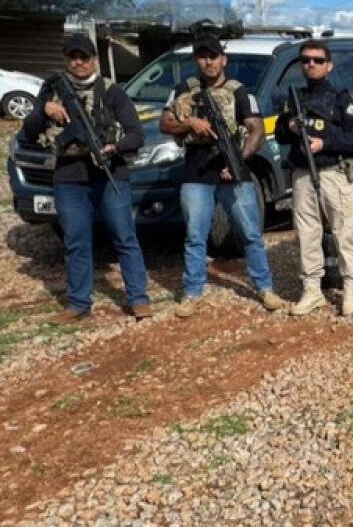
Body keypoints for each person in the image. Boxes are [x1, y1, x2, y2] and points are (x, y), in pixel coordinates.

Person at [20, 34, 152, 324]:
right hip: (68, 178)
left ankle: (138, 297)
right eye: (72, 57)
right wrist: (44, 110)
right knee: (76, 240)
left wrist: (113, 147)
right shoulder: (52, 90)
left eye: (84, 57)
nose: (78, 62)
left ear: (95, 59)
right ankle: (78, 303)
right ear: (66, 60)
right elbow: (29, 132)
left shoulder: (112, 92)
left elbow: (136, 134)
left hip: (110, 174)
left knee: (124, 236)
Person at [158, 35, 285, 317]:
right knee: (195, 236)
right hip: (196, 171)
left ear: (223, 59)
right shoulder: (184, 90)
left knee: (250, 232)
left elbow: (257, 130)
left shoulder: (240, 92)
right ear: (196, 61)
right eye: (203, 57)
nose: (209, 61)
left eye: (213, 56)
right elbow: (164, 122)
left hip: (232, 170)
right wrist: (189, 122)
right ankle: (191, 292)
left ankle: (265, 288)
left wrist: (239, 160)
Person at [275, 40, 353, 316]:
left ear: (329, 65)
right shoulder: (295, 99)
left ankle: (351, 287)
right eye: (305, 60)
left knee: (344, 231)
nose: (310, 65)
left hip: (333, 174)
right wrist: (290, 126)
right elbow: (279, 133)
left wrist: (324, 143)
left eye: (316, 60)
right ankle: (312, 289)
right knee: (307, 234)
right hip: (303, 174)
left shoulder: (341, 100)